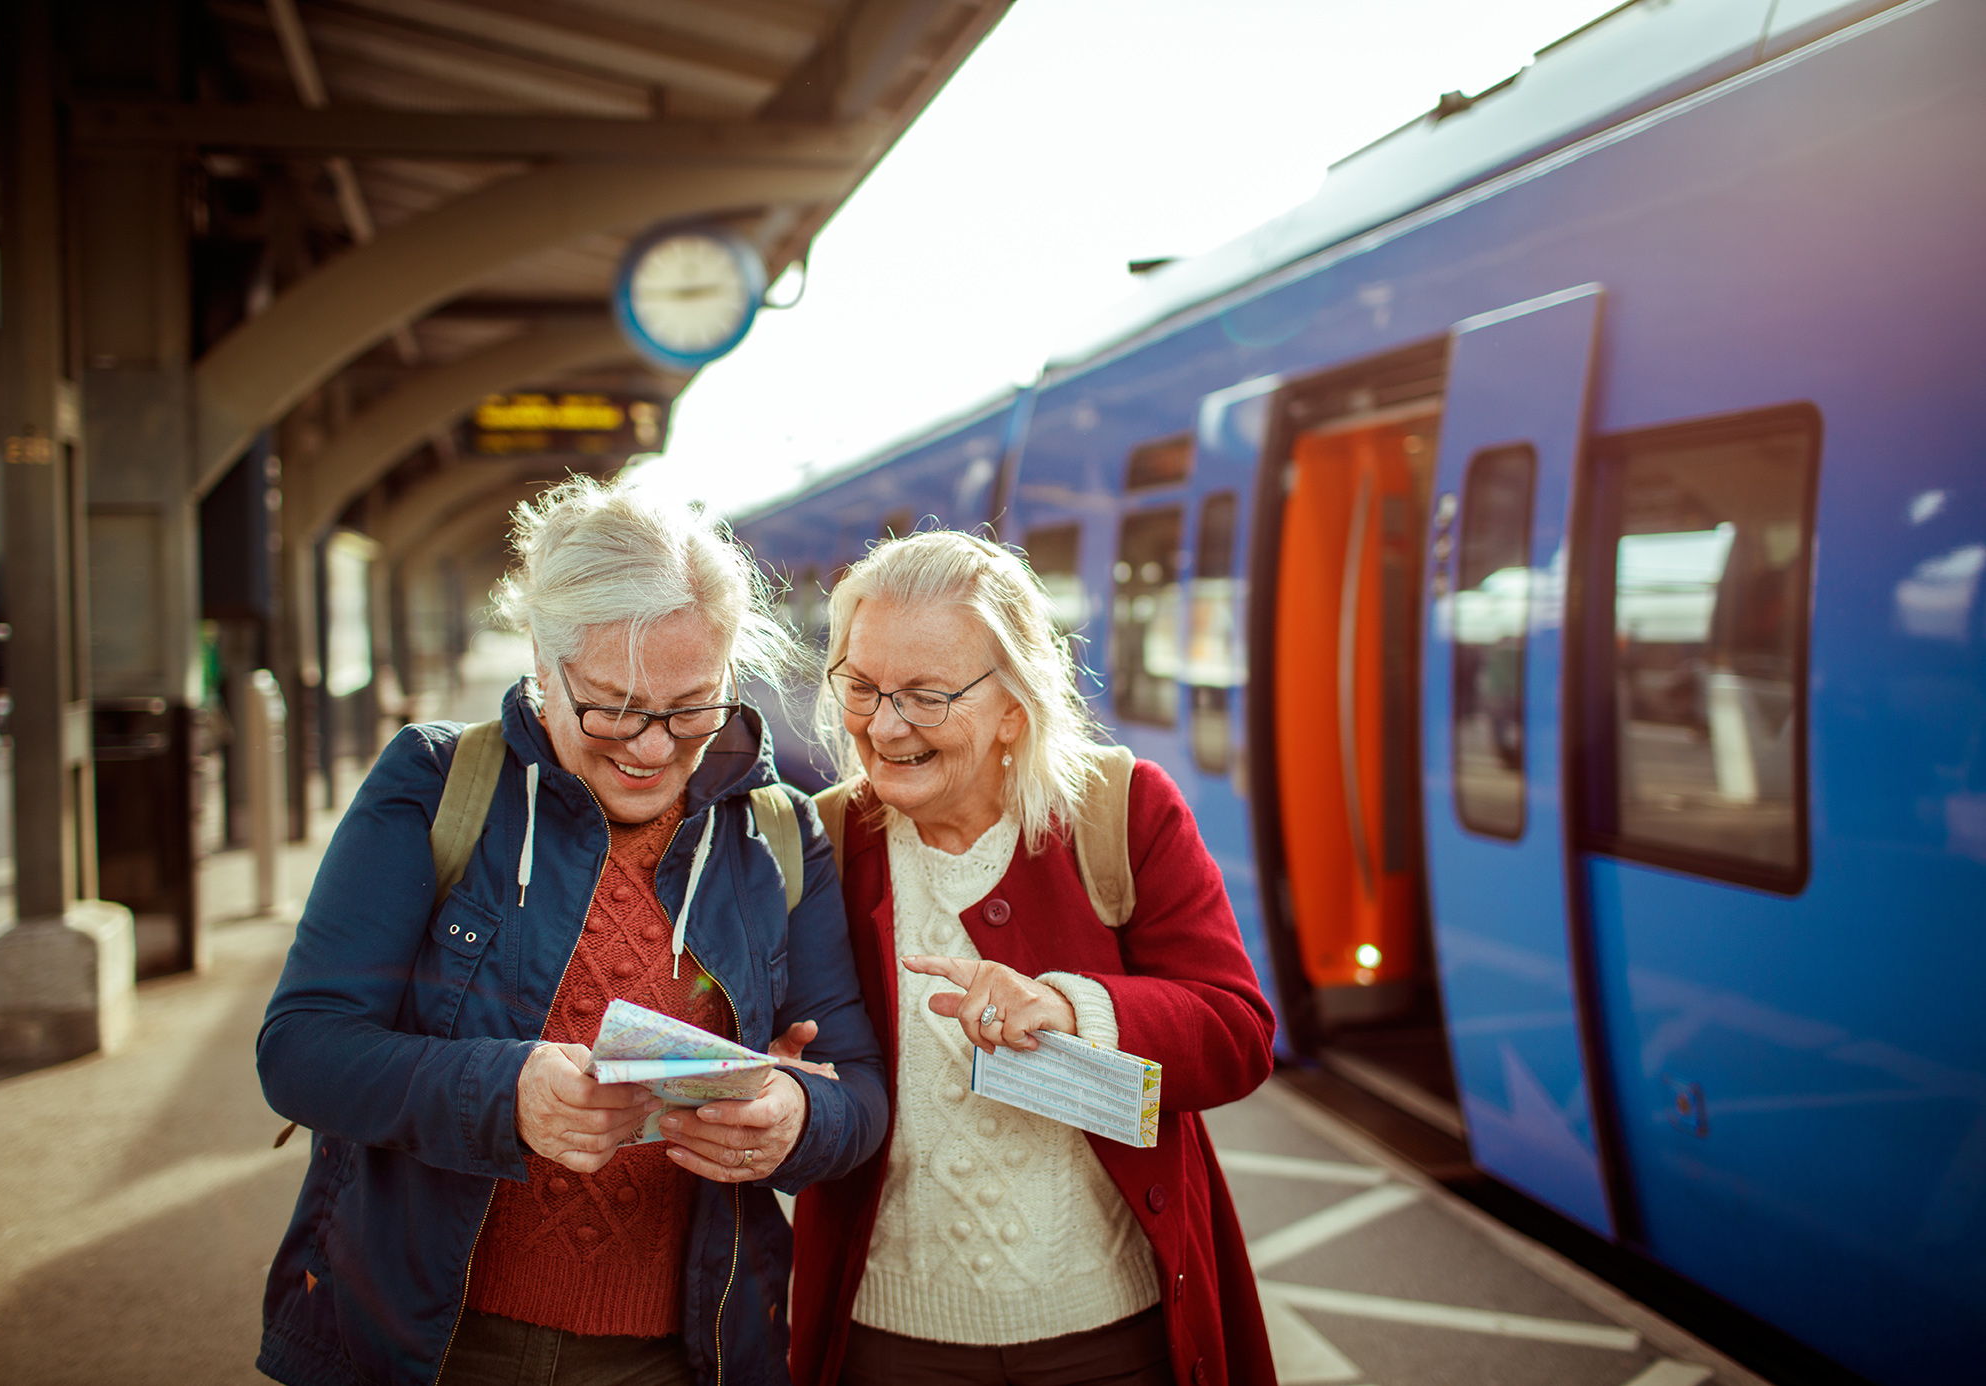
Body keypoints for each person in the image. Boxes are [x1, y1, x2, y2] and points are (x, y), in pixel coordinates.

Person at [256, 477, 888, 1386]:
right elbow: (302, 1049)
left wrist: (796, 1119)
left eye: (691, 706)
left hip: (680, 1356)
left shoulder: (778, 837)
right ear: (543, 669)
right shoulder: (437, 787)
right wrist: (505, 1091)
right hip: (428, 1343)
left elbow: (860, 1091)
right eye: (612, 706)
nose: (654, 748)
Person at [788, 532, 1277, 1386]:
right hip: (886, 1341)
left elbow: (1238, 1034)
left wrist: (1073, 1011)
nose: (885, 725)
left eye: (927, 696)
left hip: (1110, 1336)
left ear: (1014, 705)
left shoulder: (1120, 813)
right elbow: (793, 1077)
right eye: (862, 687)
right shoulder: (822, 842)